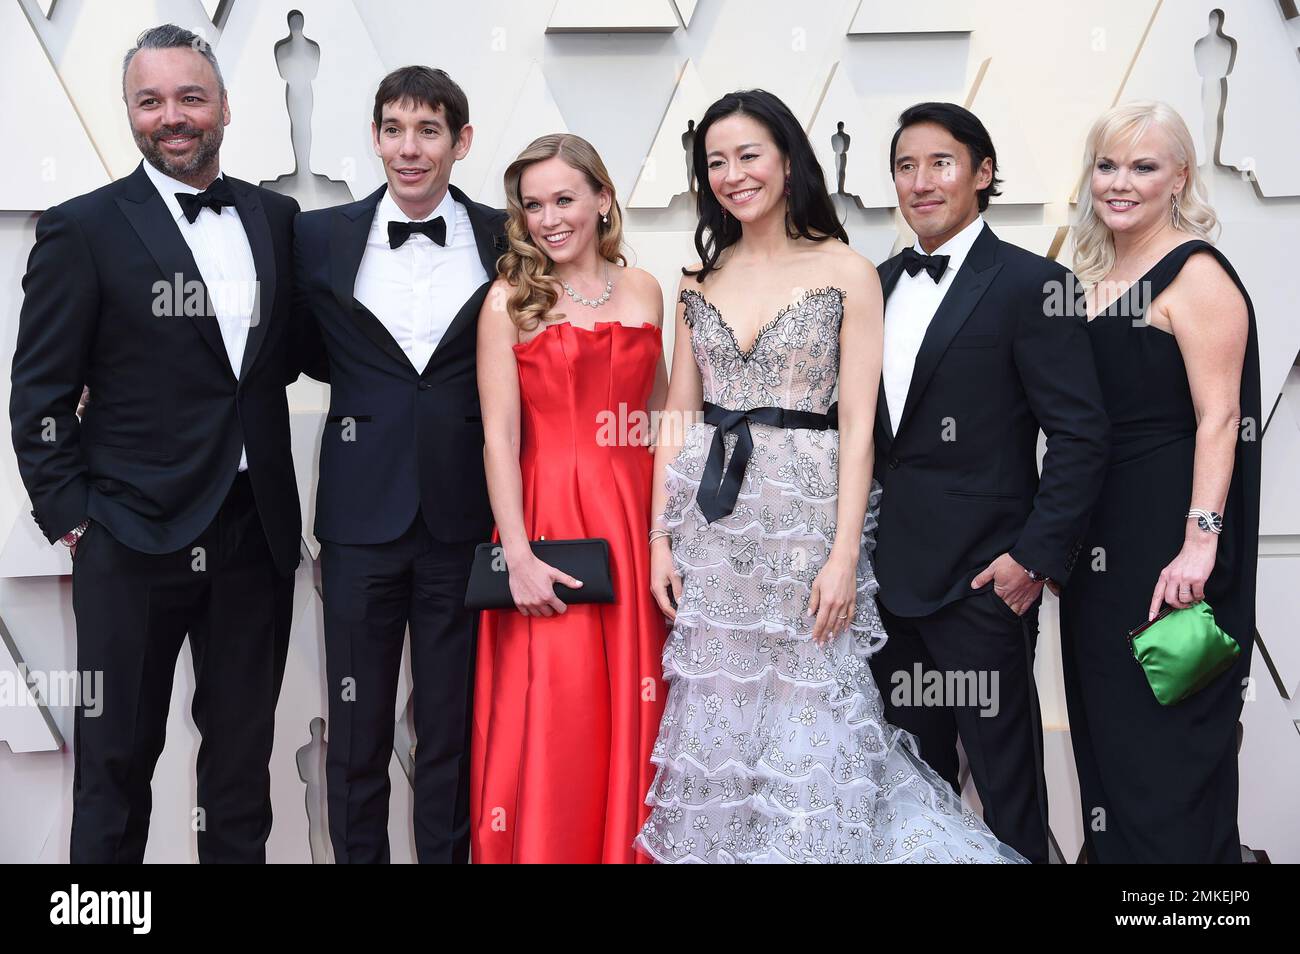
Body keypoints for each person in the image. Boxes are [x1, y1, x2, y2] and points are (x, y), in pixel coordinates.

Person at [636, 89, 1025, 863]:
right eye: (716, 161)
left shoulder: (848, 270)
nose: (733, 174)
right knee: (725, 712)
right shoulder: (696, 279)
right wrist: (658, 538)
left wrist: (845, 554)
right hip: (715, 536)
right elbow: (676, 419)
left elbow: (857, 428)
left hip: (806, 523)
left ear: (787, 159)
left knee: (811, 713)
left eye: (749, 155)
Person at [9, 25, 303, 863]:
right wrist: (77, 520)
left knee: (243, 769)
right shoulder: (83, 229)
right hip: (130, 535)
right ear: (131, 113)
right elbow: (40, 393)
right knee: (115, 765)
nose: (171, 117)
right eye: (151, 101)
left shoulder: (274, 217)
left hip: (255, 532)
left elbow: (292, 356)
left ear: (224, 108)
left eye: (189, 97)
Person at [865, 102, 1111, 864]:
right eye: (906, 166)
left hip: (984, 583)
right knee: (909, 790)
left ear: (982, 173)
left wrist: (1034, 558)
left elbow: (1080, 433)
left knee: (1008, 794)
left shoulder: (1037, 283)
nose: (921, 181)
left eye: (940, 163)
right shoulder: (873, 285)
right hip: (885, 586)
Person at [293, 66, 506, 863]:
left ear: (461, 141)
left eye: (427, 131)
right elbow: (296, 349)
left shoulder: (504, 236)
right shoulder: (317, 237)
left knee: (449, 730)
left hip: (465, 518)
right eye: (393, 130)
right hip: (358, 521)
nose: (408, 149)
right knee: (356, 731)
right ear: (376, 137)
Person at [1059, 101, 1260, 863]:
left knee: (1168, 751)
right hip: (1101, 547)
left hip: (1172, 547)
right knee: (1110, 742)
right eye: (1107, 165)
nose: (1120, 182)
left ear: (1180, 176)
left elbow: (1222, 418)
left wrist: (1198, 546)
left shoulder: (1197, 273)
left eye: (1143, 166)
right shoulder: (1094, 273)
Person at [470, 134, 668, 863]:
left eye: (564, 199)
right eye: (533, 205)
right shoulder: (510, 300)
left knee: (639, 708)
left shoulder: (645, 288)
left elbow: (665, 422)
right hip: (548, 523)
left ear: (602, 199)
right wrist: (515, 555)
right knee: (558, 713)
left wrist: (667, 537)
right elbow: (497, 439)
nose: (548, 219)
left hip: (635, 518)